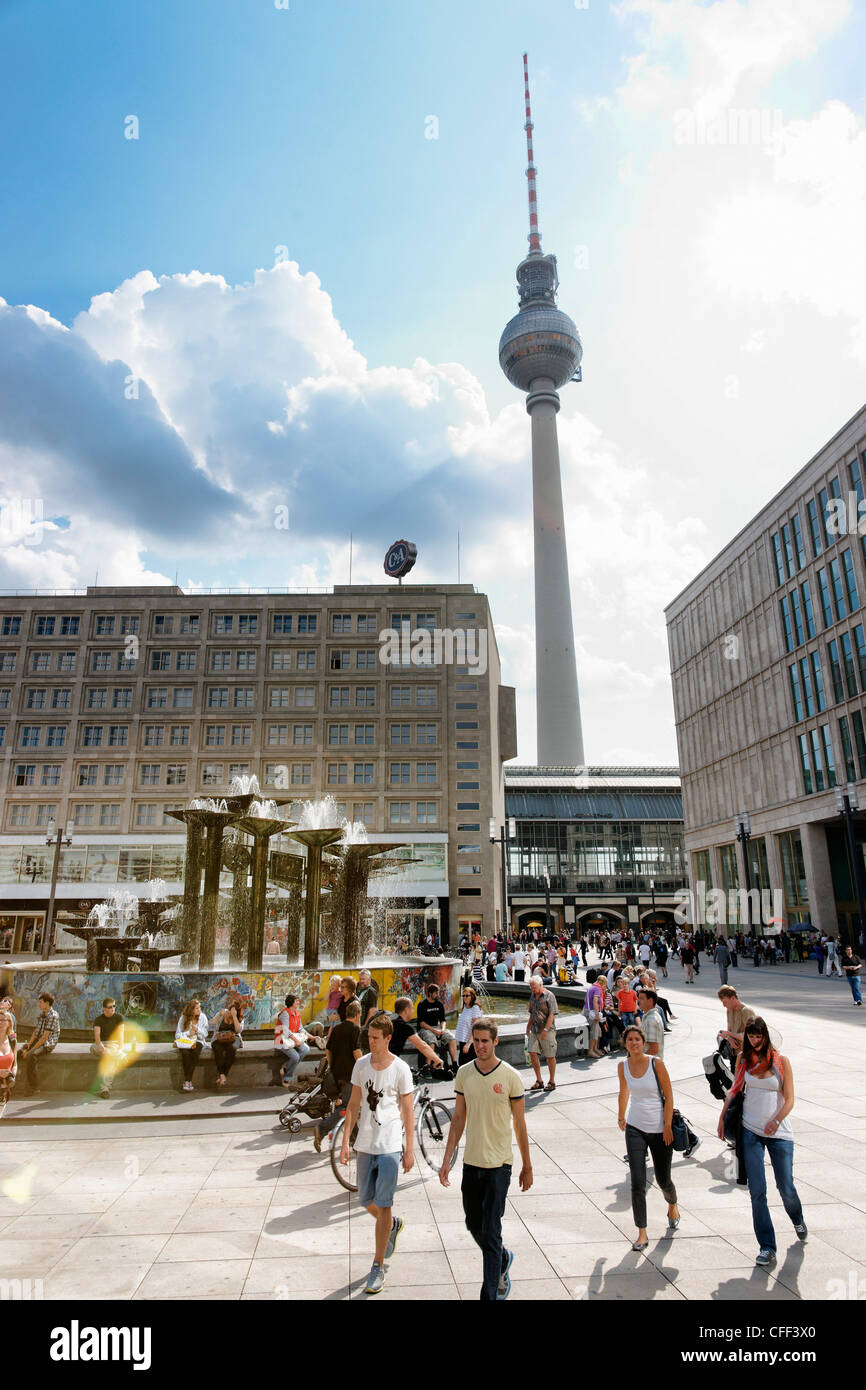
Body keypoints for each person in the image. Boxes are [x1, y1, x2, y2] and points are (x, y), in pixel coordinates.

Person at [439, 1016, 532, 1300]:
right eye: (476, 1041)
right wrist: (446, 1160)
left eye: (485, 1041)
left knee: (491, 1231)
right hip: (471, 1162)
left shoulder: (511, 1077)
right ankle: (502, 1258)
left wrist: (527, 1165)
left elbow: (519, 1124)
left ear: (495, 1042)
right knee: (473, 1224)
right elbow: (458, 1118)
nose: (480, 1046)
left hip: (499, 1166)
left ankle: (489, 1293)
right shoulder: (465, 1074)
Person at [717, 1017, 807, 1268]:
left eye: (759, 1037)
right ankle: (767, 1247)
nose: (755, 1042)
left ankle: (797, 1218)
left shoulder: (781, 1061)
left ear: (766, 1036)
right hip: (751, 1130)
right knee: (757, 1191)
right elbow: (734, 1089)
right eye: (751, 1037)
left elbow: (789, 1099)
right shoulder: (744, 1060)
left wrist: (777, 1120)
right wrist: (723, 1117)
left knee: (785, 1186)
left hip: (779, 1133)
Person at [341, 1011, 415, 1295]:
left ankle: (377, 1265)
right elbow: (353, 1105)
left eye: (375, 1038)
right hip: (365, 1143)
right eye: (368, 1037)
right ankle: (392, 1226)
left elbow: (407, 1110)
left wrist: (409, 1149)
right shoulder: (361, 1065)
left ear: (387, 1039)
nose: (370, 1042)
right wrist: (346, 1141)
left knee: (383, 1203)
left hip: (390, 1144)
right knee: (365, 1199)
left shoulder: (400, 1069)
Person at [618, 1024, 680, 1250]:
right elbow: (624, 1091)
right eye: (629, 1039)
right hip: (635, 1127)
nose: (633, 1043)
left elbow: (669, 1094)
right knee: (637, 1181)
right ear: (625, 1043)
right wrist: (620, 1116)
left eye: (637, 1039)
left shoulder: (656, 1063)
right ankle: (642, 1233)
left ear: (642, 1042)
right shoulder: (622, 1066)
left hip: (659, 1128)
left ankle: (672, 1203)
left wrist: (667, 1125)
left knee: (664, 1180)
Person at [313, 998, 362, 1152]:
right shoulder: (355, 1030)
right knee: (347, 1108)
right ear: (358, 1014)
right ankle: (322, 1128)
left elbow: (328, 1050)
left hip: (336, 1075)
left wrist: (332, 1065)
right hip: (350, 1076)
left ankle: (356, 1140)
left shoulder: (337, 1029)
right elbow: (357, 1053)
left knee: (349, 1107)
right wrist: (366, 1068)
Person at [18, 992, 60, 1093]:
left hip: (48, 1043)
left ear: (47, 1003)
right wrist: (29, 1044)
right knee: (19, 1053)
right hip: (39, 1040)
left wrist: (30, 1051)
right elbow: (36, 1031)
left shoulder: (53, 1016)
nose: (39, 1004)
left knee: (31, 1055)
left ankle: (33, 1087)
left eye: (41, 1002)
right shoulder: (42, 1014)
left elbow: (44, 1037)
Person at [389, 998, 445, 1073]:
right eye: (412, 1008)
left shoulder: (390, 1019)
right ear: (406, 1010)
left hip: (376, 1060)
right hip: (388, 1064)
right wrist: (437, 1060)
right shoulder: (405, 1026)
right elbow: (422, 1045)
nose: (413, 1011)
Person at [90, 996, 127, 1099]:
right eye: (110, 1007)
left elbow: (121, 1033)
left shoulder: (119, 1018)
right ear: (104, 1008)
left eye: (114, 1006)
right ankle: (118, 1056)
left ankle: (104, 1089)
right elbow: (97, 1035)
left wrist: (120, 1048)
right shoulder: (98, 1019)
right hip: (100, 1044)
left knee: (108, 1057)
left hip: (113, 1044)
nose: (113, 1008)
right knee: (93, 1047)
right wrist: (100, 1045)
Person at [526, 975, 558, 1092]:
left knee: (550, 1056)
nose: (533, 989)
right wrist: (528, 1027)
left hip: (547, 1030)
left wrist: (545, 1030)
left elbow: (552, 1014)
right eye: (531, 987)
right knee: (532, 1052)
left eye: (534, 987)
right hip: (534, 1029)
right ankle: (539, 1080)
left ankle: (552, 1081)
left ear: (541, 985)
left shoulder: (549, 996)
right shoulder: (533, 996)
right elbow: (532, 1012)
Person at [416, 983, 458, 1069]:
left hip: (437, 1028)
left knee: (451, 1038)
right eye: (436, 993)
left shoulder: (439, 1004)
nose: (437, 995)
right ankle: (427, 1066)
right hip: (425, 1029)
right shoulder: (422, 1004)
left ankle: (454, 1064)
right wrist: (433, 1031)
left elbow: (443, 1020)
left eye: (438, 993)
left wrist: (442, 1029)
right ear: (430, 993)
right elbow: (421, 1023)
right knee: (431, 1041)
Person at [274, 993, 310, 1087]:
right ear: (291, 1002)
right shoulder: (285, 1013)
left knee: (306, 1049)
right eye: (296, 1001)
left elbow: (300, 1029)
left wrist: (312, 1037)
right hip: (281, 1039)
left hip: (292, 1040)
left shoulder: (297, 1014)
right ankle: (287, 1078)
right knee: (295, 1057)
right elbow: (285, 1031)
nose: (298, 1002)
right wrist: (297, 1040)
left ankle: (286, 1066)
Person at [175, 998, 208, 1091]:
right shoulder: (183, 1018)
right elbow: (177, 1035)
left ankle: (187, 1080)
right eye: (197, 1008)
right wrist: (188, 1033)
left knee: (195, 1053)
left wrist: (197, 1030)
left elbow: (205, 1034)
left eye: (200, 1008)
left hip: (198, 1041)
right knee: (185, 1054)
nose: (199, 1010)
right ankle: (188, 1081)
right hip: (185, 1041)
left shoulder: (203, 1017)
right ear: (191, 1009)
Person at [211, 996, 243, 1087]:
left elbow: (238, 1031)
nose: (229, 1013)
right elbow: (211, 1024)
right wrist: (218, 1016)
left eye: (232, 1011)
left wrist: (234, 1016)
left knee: (232, 1049)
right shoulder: (222, 1013)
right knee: (218, 1049)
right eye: (229, 1011)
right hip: (220, 1038)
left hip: (233, 1038)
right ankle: (222, 1075)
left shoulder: (238, 1017)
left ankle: (223, 1075)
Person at [717, 985, 756, 1052]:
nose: (724, 1005)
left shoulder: (746, 1011)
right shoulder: (729, 1010)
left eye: (725, 1002)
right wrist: (729, 1038)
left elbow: (752, 1036)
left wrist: (729, 1034)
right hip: (734, 1053)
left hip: (747, 1054)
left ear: (733, 998)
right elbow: (729, 1030)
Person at [456, 987, 483, 1064]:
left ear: (472, 996)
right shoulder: (465, 1007)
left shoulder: (475, 1008)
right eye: (463, 995)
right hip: (463, 1040)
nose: (465, 997)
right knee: (462, 1064)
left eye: (467, 995)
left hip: (471, 1042)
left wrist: (468, 1043)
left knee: (469, 1065)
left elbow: (475, 1027)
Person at [637, 988, 665, 1059]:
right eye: (638, 998)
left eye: (641, 998)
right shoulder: (650, 1016)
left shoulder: (651, 1020)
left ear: (650, 1001)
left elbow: (654, 1049)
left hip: (650, 1065)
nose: (638, 1000)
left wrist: (638, 1061)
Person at [584, 969, 605, 1059]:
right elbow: (595, 1001)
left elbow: (585, 1000)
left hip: (588, 1011)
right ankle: (591, 1051)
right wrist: (596, 1014)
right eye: (605, 984)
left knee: (598, 1031)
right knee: (594, 1031)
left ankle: (595, 1048)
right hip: (592, 1012)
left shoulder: (592, 987)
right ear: (602, 982)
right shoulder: (597, 988)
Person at [0, 1008, 17, 1111]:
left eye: (3, 1020)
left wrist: (12, 1075)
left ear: (9, 1023)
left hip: (4, 1091)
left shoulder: (12, 1041)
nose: (0, 1023)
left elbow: (15, 1064)